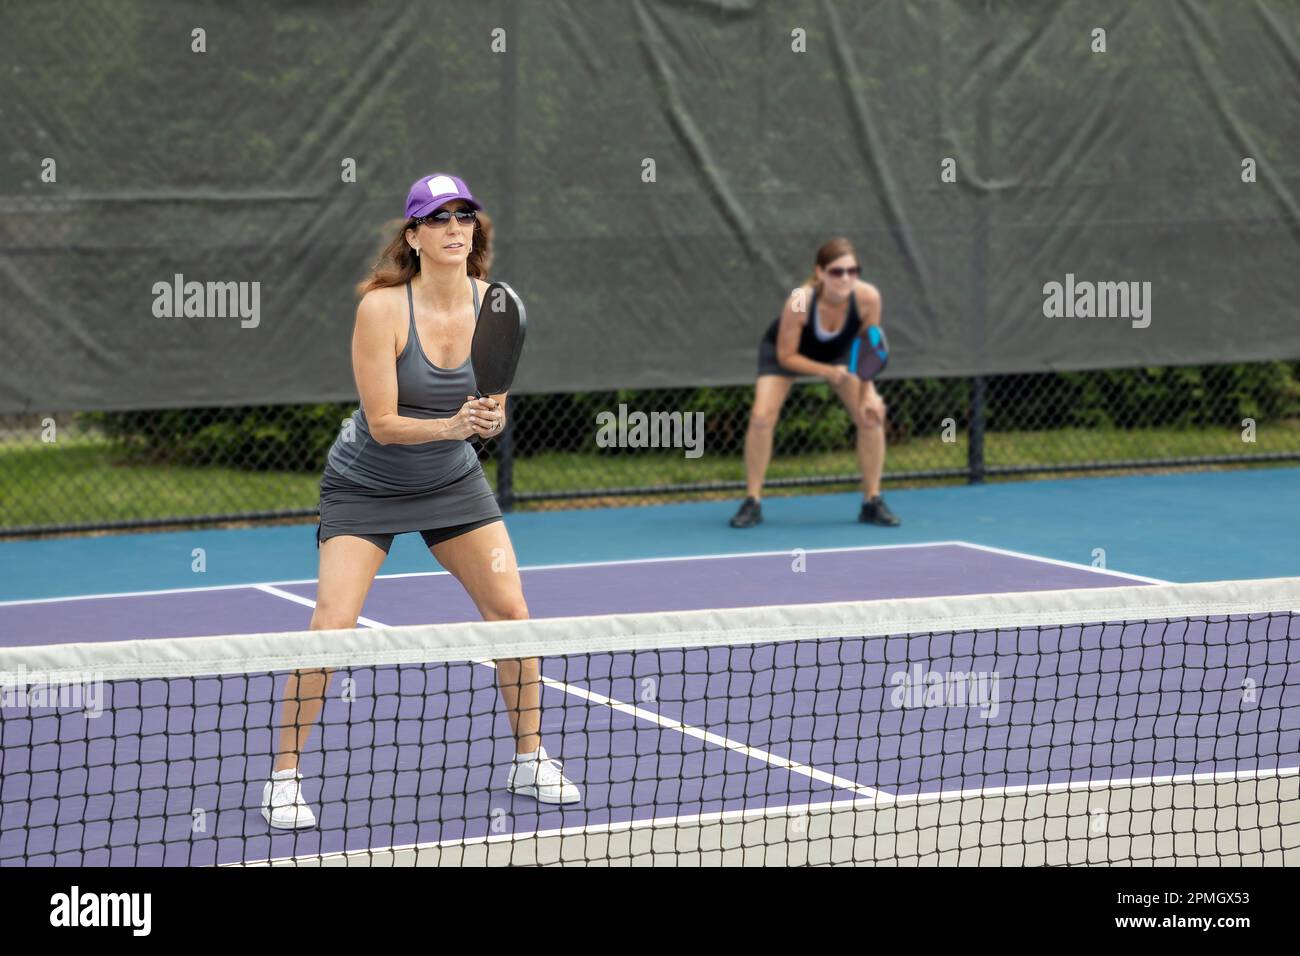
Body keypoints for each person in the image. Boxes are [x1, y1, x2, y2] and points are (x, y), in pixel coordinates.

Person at [262, 173, 579, 829]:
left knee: (513, 612)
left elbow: (492, 402)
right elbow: (382, 423)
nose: (455, 227)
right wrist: (453, 426)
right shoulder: (381, 309)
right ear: (414, 236)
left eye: (464, 216)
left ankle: (529, 759)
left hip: (450, 483)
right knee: (332, 626)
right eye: (438, 218)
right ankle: (284, 776)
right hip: (365, 485)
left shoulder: (495, 304)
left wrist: (489, 421)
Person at [730, 237, 901, 529]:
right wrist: (826, 371)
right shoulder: (799, 299)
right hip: (786, 352)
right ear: (820, 273)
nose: (845, 278)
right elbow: (786, 355)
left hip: (841, 354)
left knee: (870, 417)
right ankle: (752, 501)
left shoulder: (869, 297)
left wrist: (868, 392)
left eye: (852, 271)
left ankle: (872, 501)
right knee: (760, 418)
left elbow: (869, 349)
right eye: (836, 271)